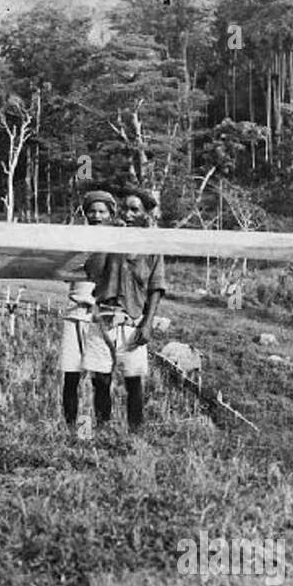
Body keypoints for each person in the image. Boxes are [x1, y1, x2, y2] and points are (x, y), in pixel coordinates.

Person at [87, 186, 167, 434]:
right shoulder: (109, 238)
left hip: (133, 322)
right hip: (103, 319)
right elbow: (93, 271)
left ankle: (135, 433)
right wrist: (109, 239)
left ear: (145, 215)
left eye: (135, 210)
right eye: (125, 209)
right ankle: (102, 430)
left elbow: (156, 287)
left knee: (133, 381)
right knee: (101, 380)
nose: (128, 214)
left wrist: (147, 323)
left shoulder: (152, 247)